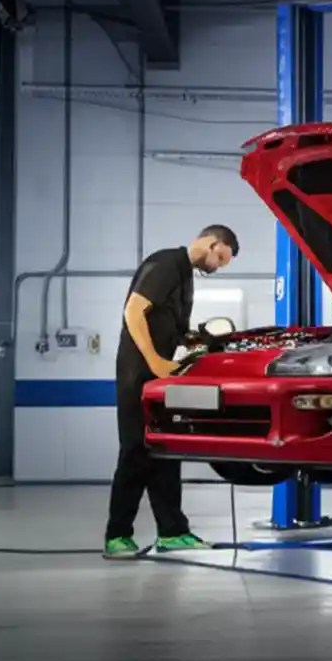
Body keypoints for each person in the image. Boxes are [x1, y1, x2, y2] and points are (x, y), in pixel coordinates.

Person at [103, 225, 239, 558]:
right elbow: (133, 312)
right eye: (220, 258)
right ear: (212, 242)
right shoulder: (166, 264)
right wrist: (155, 361)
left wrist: (199, 340)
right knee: (135, 451)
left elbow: (170, 327)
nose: (218, 266)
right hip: (139, 373)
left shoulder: (185, 276)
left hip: (161, 375)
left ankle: (172, 531)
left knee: (164, 451)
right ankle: (117, 536)